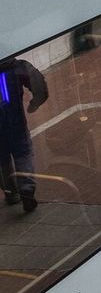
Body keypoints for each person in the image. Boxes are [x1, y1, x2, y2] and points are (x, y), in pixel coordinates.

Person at [0, 57, 49, 213]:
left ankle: (10, 191)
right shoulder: (16, 65)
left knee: (2, 158)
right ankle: (26, 189)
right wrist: (35, 102)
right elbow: (38, 83)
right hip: (15, 119)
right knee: (23, 152)